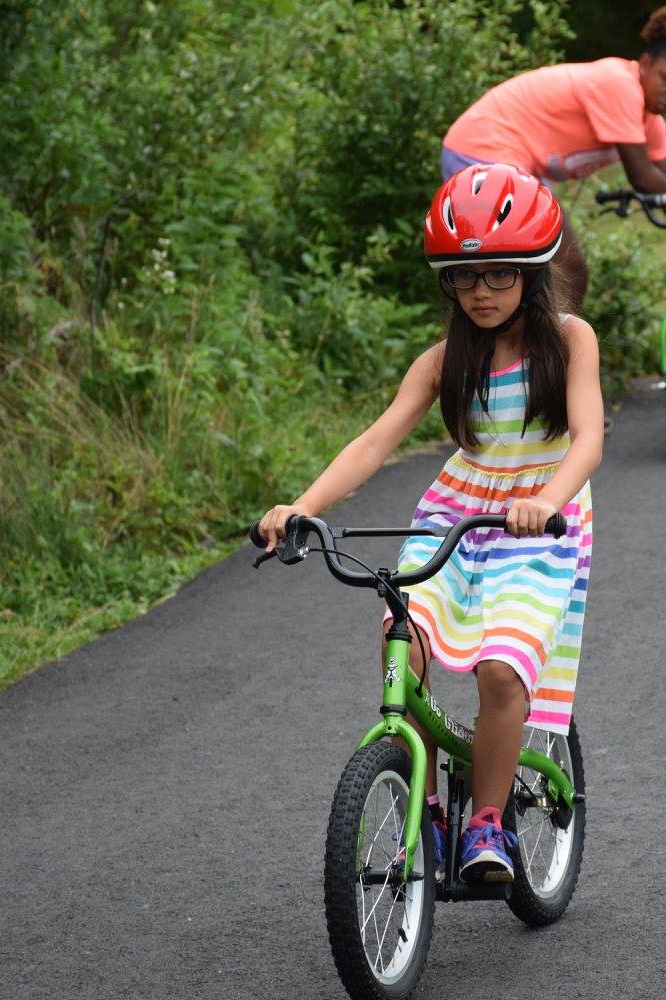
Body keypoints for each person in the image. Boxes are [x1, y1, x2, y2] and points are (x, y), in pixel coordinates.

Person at [256, 164, 601, 884]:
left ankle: (487, 823)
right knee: (399, 642)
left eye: (499, 276)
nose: (480, 292)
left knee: (502, 668)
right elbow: (374, 442)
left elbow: (590, 438)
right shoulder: (443, 360)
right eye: (464, 279)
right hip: (455, 512)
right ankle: (429, 807)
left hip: (538, 519)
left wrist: (549, 500)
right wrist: (302, 506)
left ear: (533, 276)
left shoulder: (570, 341)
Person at [442, 4, 666, 311]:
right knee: (567, 268)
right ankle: (552, 355)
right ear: (645, 64)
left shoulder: (652, 125)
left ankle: (536, 354)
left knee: (542, 272)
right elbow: (644, 179)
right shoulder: (619, 84)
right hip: (480, 149)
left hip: (511, 165)